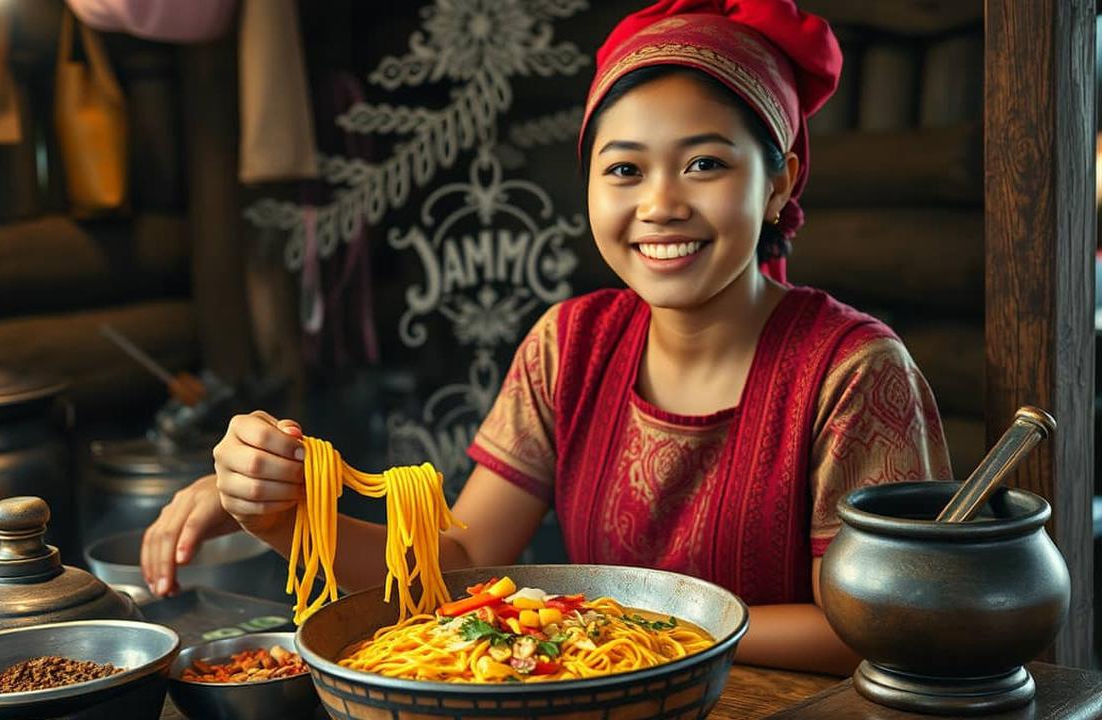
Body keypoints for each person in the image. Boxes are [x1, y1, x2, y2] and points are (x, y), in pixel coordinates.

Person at [140, 0, 951, 676]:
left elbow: (866, 627)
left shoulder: (851, 371)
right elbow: (458, 568)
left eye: (704, 165)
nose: (660, 203)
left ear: (779, 181)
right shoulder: (571, 344)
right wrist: (286, 518)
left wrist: (607, 625)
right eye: (624, 169)